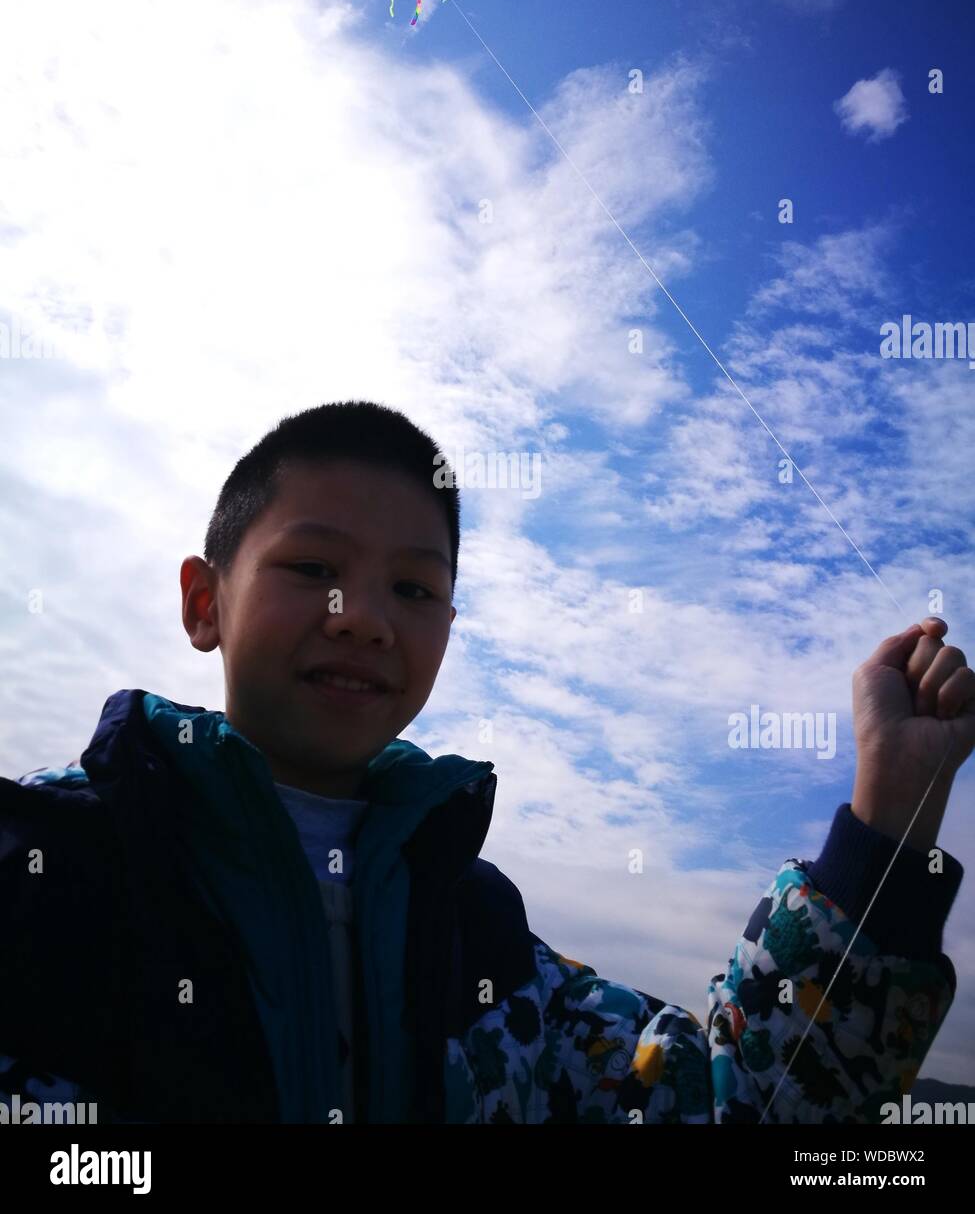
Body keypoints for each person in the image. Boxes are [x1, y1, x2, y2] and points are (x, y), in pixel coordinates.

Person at [0, 400, 969, 1124]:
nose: (367, 619)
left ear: (450, 628)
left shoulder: (489, 945)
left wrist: (893, 804)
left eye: (413, 587)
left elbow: (744, 1107)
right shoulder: (44, 869)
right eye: (313, 569)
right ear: (204, 600)